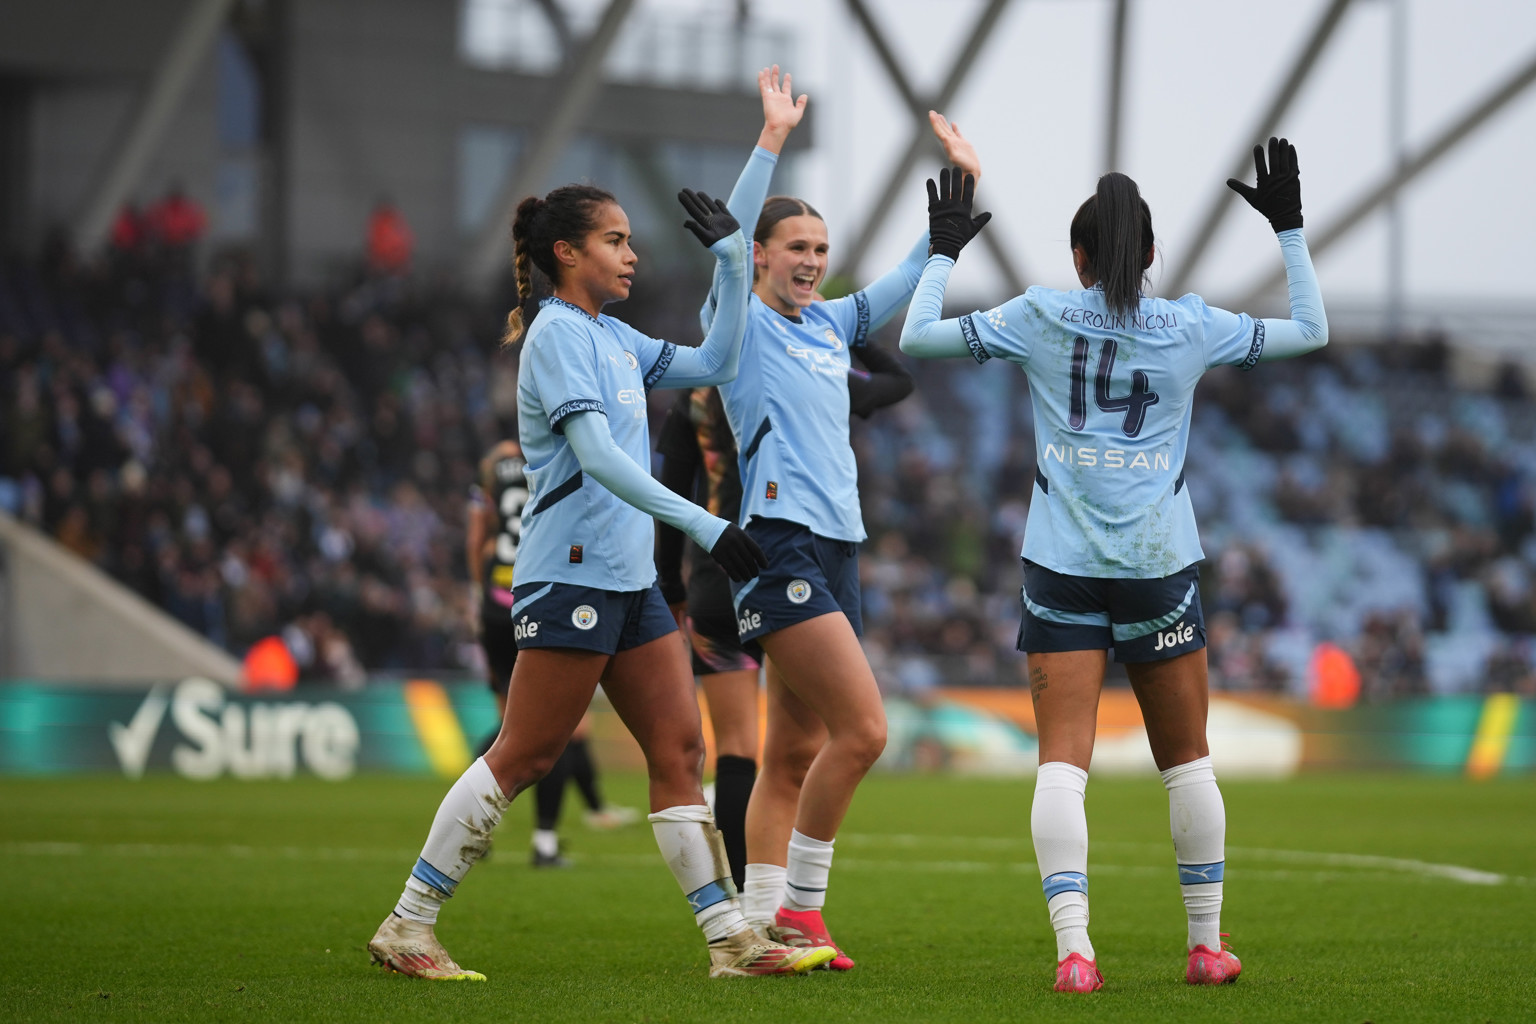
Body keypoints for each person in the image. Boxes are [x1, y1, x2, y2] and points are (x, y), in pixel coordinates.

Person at [367, 68, 837, 982]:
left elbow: (718, 353)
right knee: (528, 751)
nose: (631, 255)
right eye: (615, 241)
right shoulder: (556, 334)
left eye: (630, 241)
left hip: (629, 584)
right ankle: (408, 922)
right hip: (571, 572)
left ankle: (731, 942)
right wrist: (704, 526)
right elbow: (603, 463)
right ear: (567, 253)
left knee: (680, 750)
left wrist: (737, 257)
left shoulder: (618, 338)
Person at [899, 138, 1327, 991]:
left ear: (1078, 256)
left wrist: (945, 246)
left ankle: (1075, 954)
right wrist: (1288, 229)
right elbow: (1312, 331)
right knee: (1189, 762)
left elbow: (914, 335)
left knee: (1063, 762)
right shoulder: (1193, 325)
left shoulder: (1039, 315)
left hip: (1060, 562)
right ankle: (1205, 948)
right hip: (1157, 563)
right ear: (1156, 252)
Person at [698, 99, 981, 968]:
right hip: (779, 542)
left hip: (837, 547)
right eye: (796, 250)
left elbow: (902, 279)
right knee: (865, 732)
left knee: (792, 752)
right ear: (758, 259)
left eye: (821, 252)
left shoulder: (829, 323)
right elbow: (729, 240)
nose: (812, 264)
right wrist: (771, 140)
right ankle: (803, 915)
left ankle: (756, 930)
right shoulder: (740, 320)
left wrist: (960, 195)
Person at [654, 336, 913, 889]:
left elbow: (671, 494)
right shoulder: (806, 374)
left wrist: (670, 586)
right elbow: (898, 382)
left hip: (711, 585)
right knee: (795, 750)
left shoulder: (696, 394)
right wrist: (851, 331)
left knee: (738, 752)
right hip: (787, 573)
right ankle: (778, 896)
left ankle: (746, 895)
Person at [465, 440, 639, 869]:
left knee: (510, 728)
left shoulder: (488, 466)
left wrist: (477, 591)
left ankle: (469, 819)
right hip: (536, 591)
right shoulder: (551, 458)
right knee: (564, 727)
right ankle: (544, 843)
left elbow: (476, 536)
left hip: (493, 602)